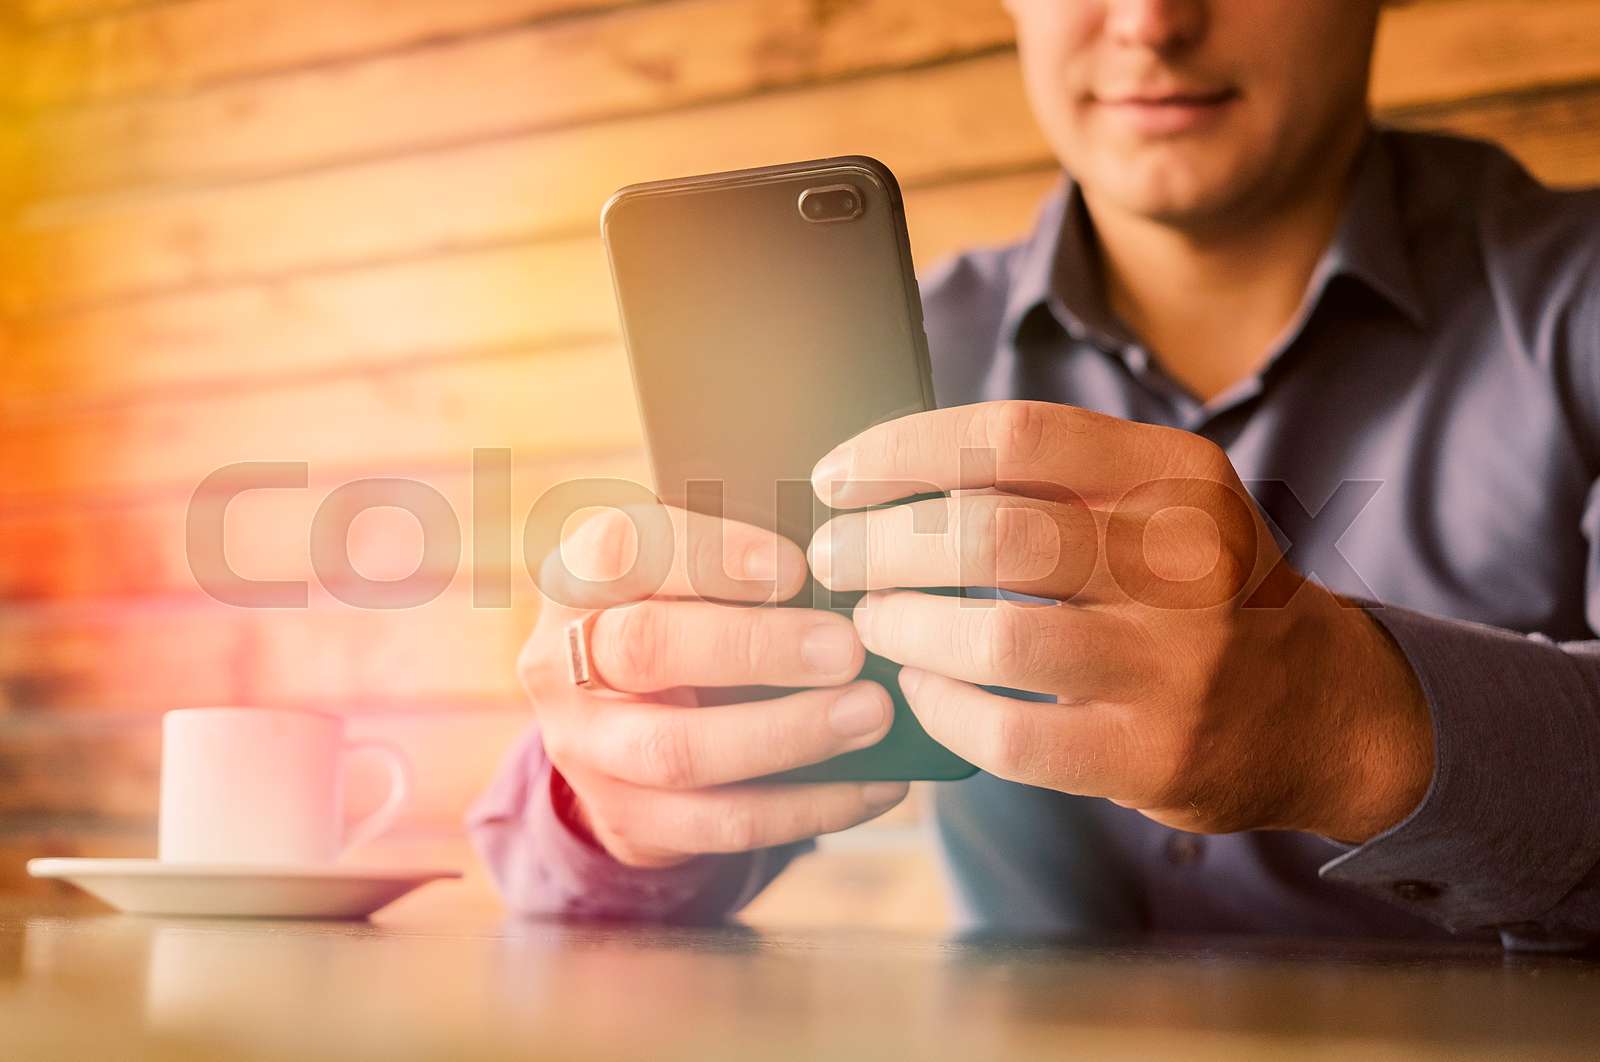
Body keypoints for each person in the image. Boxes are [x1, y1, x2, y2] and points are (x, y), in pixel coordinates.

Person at [468, 0, 1600, 951]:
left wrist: (1348, 721)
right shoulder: (891, 350)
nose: (1152, 22)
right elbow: (559, 868)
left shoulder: (1577, 307)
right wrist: (621, 790)